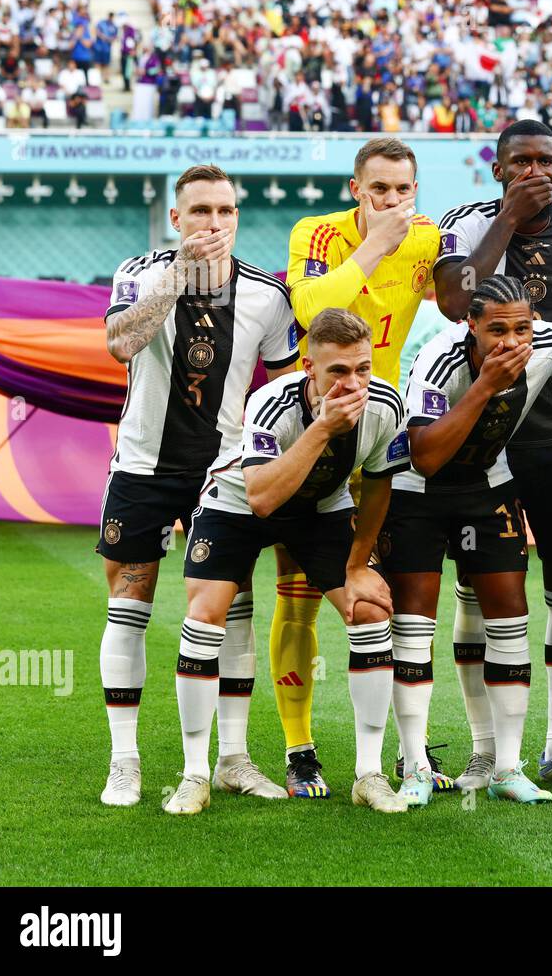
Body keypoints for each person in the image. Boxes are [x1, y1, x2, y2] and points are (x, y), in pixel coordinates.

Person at [98, 164, 300, 808]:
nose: (214, 223)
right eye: (201, 211)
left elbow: (285, 384)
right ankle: (124, 759)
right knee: (129, 606)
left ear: (237, 216)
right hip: (143, 466)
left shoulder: (268, 296)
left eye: (226, 211)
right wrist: (180, 275)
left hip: (225, 474)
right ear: (176, 219)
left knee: (231, 610)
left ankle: (233, 758)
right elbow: (121, 344)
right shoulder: (140, 271)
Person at [165, 309, 410, 815]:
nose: (353, 382)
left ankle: (369, 773)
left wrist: (359, 564)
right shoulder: (271, 403)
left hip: (320, 509)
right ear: (308, 367)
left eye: (362, 369)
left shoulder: (386, 405)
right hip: (238, 502)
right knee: (204, 615)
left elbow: (382, 486)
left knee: (369, 611)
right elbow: (262, 498)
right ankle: (195, 773)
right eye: (337, 371)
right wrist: (322, 429)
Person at [273, 138, 446, 798]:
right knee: (300, 595)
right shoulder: (314, 232)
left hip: (384, 430)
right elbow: (312, 310)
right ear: (356, 189)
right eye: (380, 190)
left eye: (404, 191)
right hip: (313, 426)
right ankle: (300, 748)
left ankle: (406, 747)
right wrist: (376, 242)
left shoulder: (427, 236)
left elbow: (459, 300)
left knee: (394, 596)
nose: (394, 202)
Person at [433, 120, 552, 790]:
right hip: (483, 430)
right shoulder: (467, 221)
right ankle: (483, 747)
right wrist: (506, 219)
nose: (536, 171)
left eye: (546, 161)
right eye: (521, 161)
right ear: (499, 169)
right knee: (479, 586)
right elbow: (454, 301)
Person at [377, 276, 552, 806]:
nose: (512, 341)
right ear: (470, 325)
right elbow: (425, 453)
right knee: (414, 625)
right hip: (417, 491)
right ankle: (417, 768)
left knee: (510, 617)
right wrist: (486, 386)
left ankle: (507, 768)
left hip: (487, 485)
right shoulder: (438, 362)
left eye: (522, 328)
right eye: (496, 330)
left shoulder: (551, 343)